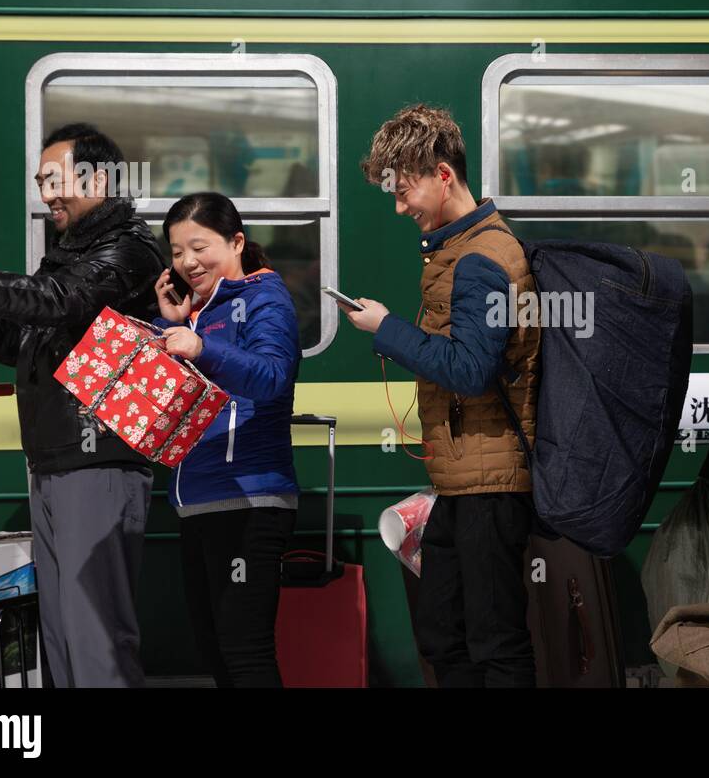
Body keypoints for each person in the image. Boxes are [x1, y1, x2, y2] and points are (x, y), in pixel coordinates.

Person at [0, 122, 165, 687]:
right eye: (40, 182)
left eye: (54, 179)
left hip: (99, 459)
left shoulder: (128, 248)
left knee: (97, 636)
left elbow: (62, 303)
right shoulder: (66, 254)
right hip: (54, 461)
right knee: (62, 634)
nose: (46, 195)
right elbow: (19, 345)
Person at [344, 104, 540, 687]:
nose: (400, 207)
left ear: (443, 175)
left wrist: (387, 329)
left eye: (405, 192)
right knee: (443, 632)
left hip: (492, 481)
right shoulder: (460, 249)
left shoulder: (480, 259)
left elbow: (472, 370)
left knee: (494, 640)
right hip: (465, 479)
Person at [154, 192, 300, 687]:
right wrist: (173, 328)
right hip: (198, 502)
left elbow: (273, 375)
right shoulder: (194, 312)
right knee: (214, 653)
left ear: (236, 242)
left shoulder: (265, 298)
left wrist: (200, 345)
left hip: (250, 499)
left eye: (199, 247)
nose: (187, 262)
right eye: (176, 252)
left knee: (246, 653)